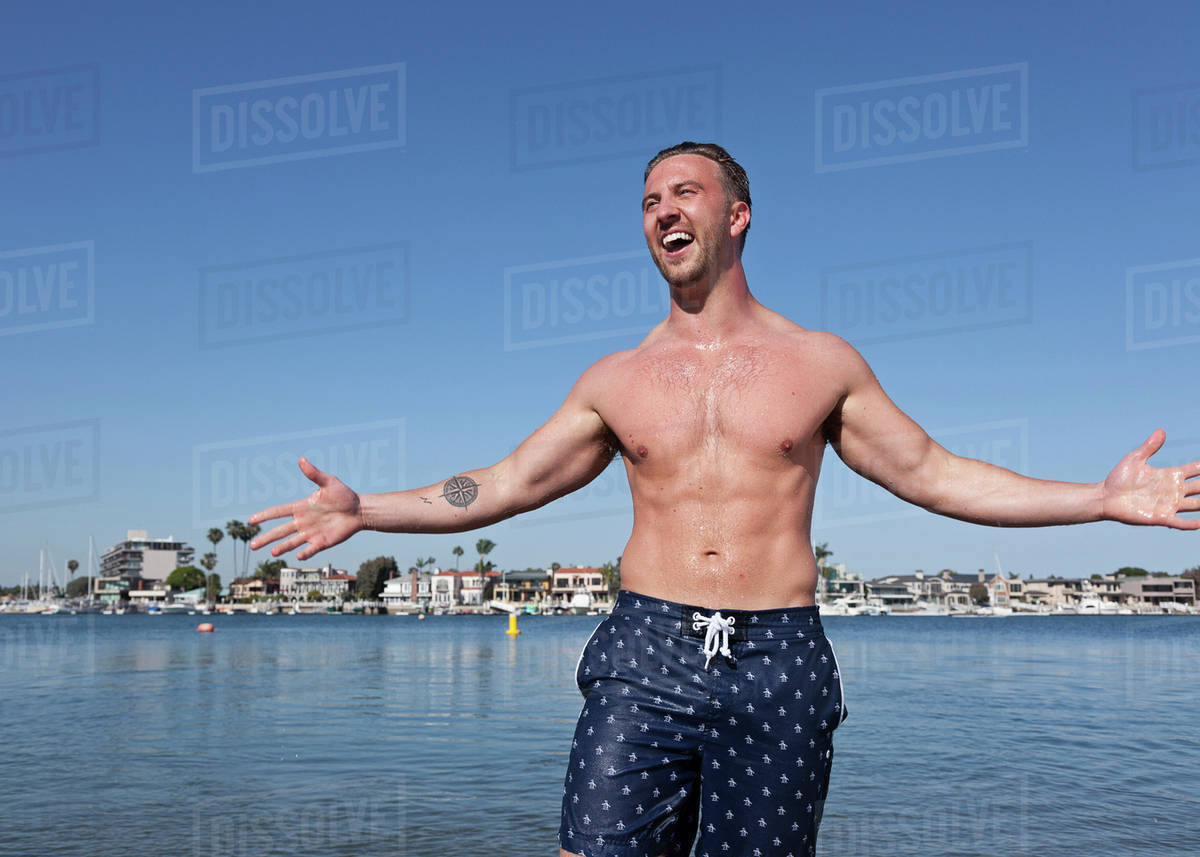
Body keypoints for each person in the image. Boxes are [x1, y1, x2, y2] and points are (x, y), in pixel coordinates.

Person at [248, 142, 1199, 857]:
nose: (664, 210)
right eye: (650, 200)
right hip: (646, 650)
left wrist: (1100, 501)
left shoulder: (820, 362)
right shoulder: (614, 379)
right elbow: (502, 484)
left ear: (738, 216)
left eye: (685, 192)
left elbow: (934, 472)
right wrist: (368, 507)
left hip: (779, 657)